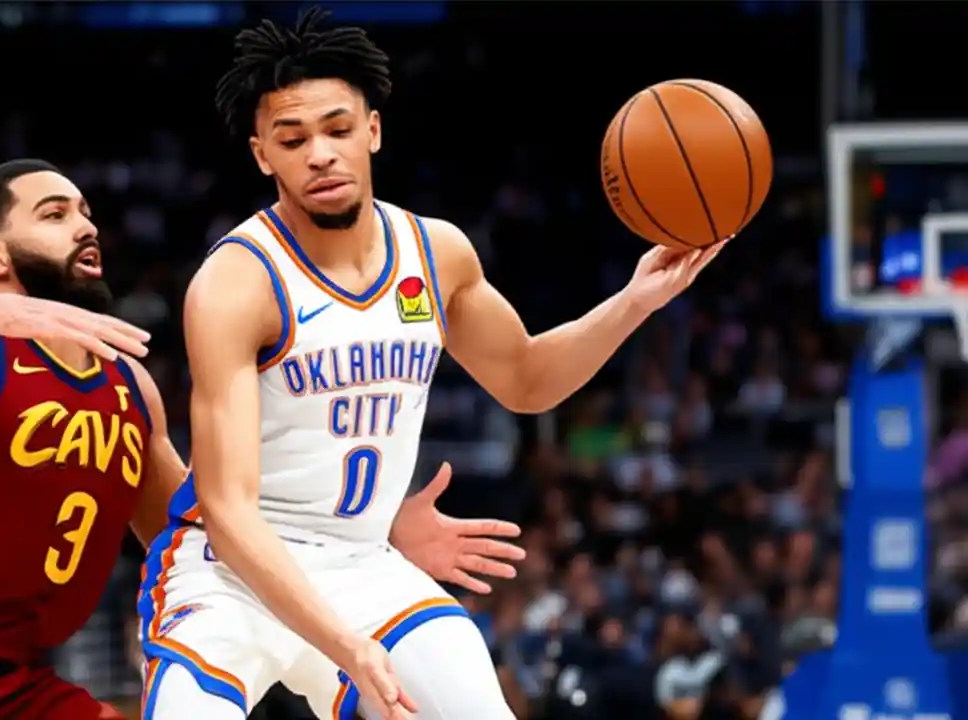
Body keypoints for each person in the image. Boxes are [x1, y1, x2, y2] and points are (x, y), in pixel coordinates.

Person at [0, 160, 526, 720]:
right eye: (55, 213)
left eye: (87, 211)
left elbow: (211, 534)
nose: (86, 226)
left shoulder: (128, 392)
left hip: (14, 685)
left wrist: (367, 538)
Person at [139, 8, 725, 720]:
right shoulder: (236, 284)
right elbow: (229, 511)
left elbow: (528, 381)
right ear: (263, 154)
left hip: (361, 566)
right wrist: (343, 645)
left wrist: (637, 300)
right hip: (231, 572)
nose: (319, 153)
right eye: (292, 139)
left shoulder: (436, 253)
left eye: (338, 129)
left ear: (373, 131)